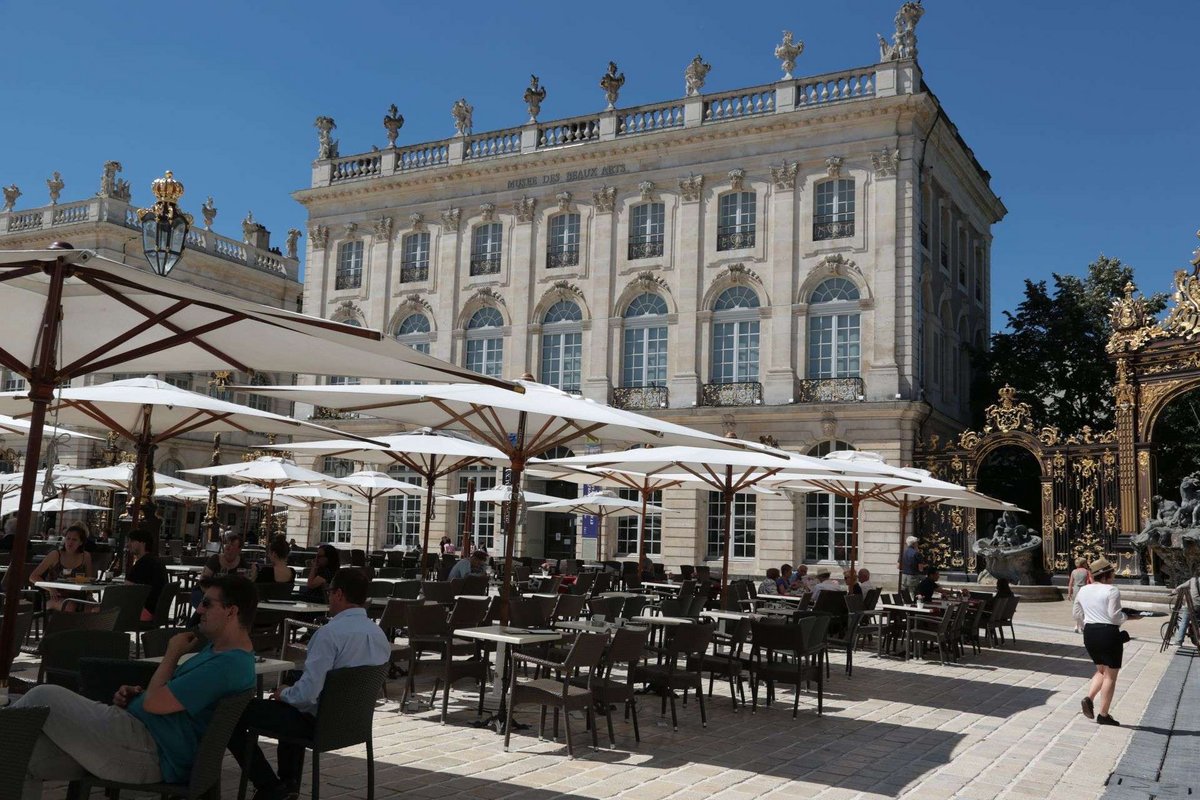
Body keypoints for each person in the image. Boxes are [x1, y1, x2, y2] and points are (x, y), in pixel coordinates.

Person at [13, 575, 257, 798]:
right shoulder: (221, 653)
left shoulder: (227, 665)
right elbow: (171, 700)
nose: (198, 608)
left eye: (207, 603)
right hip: (138, 741)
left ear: (231, 611)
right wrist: (138, 694)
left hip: (150, 750)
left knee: (44, 694)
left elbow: (155, 704)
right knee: (17, 754)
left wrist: (172, 653)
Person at [229, 568, 390, 800]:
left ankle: (269, 785)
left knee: (233, 712)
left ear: (339, 594)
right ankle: (288, 784)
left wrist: (283, 694)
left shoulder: (329, 634)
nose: (328, 596)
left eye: (330, 591)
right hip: (354, 723)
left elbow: (307, 695)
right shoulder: (378, 635)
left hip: (319, 723)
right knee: (292, 702)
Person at [1074, 557, 1127, 726]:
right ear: (1106, 575)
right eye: (1112, 573)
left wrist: (1086, 623)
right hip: (1107, 632)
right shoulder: (1112, 590)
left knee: (1101, 670)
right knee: (1111, 674)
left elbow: (1076, 613)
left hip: (1090, 632)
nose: (1113, 576)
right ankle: (1103, 714)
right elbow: (1114, 616)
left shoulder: (1083, 590)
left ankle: (1089, 698)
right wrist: (1129, 616)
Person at [27, 523, 94, 611]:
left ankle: (81, 625)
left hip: (79, 596)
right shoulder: (55, 555)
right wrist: (50, 588)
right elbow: (33, 577)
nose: (70, 542)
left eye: (74, 540)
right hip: (55, 597)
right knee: (70, 606)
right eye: (68, 538)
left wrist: (89, 594)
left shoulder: (85, 556)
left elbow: (89, 579)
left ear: (81, 542)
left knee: (95, 608)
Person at [126, 527, 169, 622]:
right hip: (158, 613)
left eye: (132, 541)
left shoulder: (142, 564)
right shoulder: (156, 561)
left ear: (142, 543)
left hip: (143, 613)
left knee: (101, 612)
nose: (128, 544)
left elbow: (126, 591)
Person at [1169, 573, 1200, 647]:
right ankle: (1195, 635)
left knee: (1184, 622)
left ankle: (1178, 641)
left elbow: (1180, 587)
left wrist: (1173, 592)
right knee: (1197, 621)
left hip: (1191, 605)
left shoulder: (1193, 580)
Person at [1067, 557, 1092, 632]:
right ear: (1083, 564)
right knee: (1084, 608)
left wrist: (1069, 593)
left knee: (1077, 608)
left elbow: (1070, 583)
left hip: (1076, 590)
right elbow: (1090, 581)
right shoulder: (1087, 571)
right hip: (1084, 590)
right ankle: (1081, 625)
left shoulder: (1073, 572)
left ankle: (1077, 625)